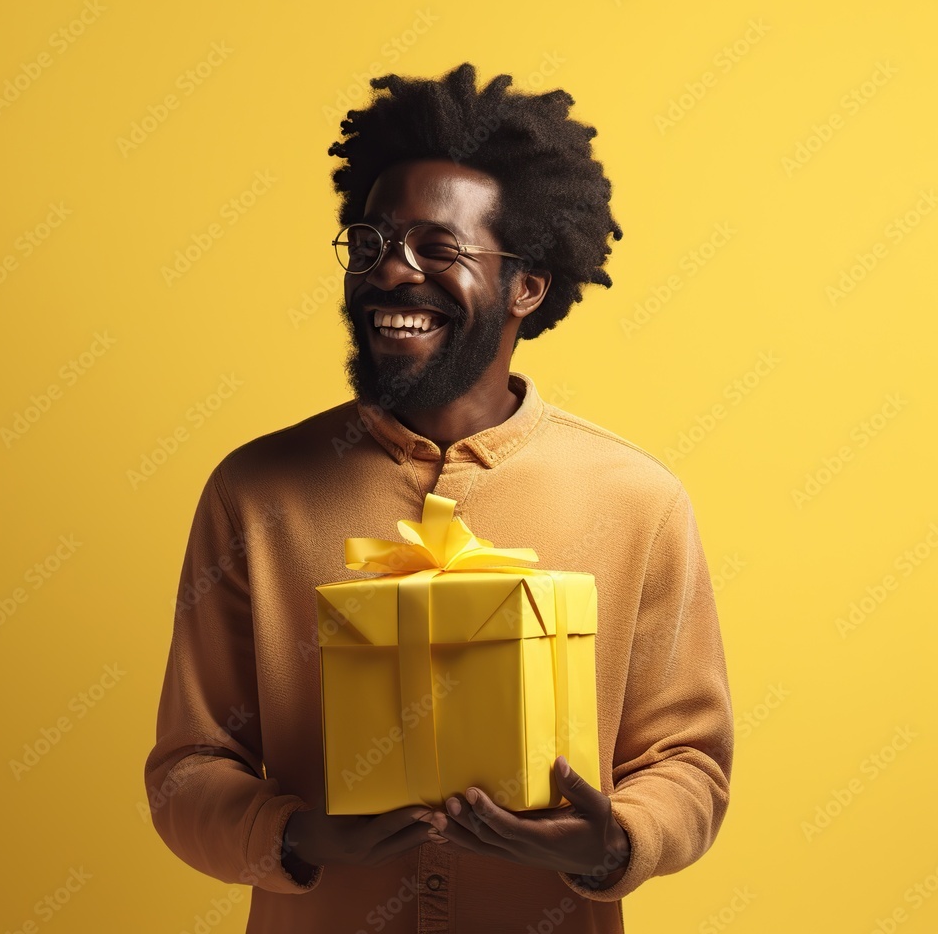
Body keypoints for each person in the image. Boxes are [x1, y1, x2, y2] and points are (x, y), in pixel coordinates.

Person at [144, 62, 733, 933]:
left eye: (437, 249)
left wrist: (614, 844)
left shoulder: (640, 501)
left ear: (526, 287)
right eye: (372, 243)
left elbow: (688, 761)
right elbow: (190, 765)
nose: (390, 274)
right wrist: (299, 837)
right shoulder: (253, 494)